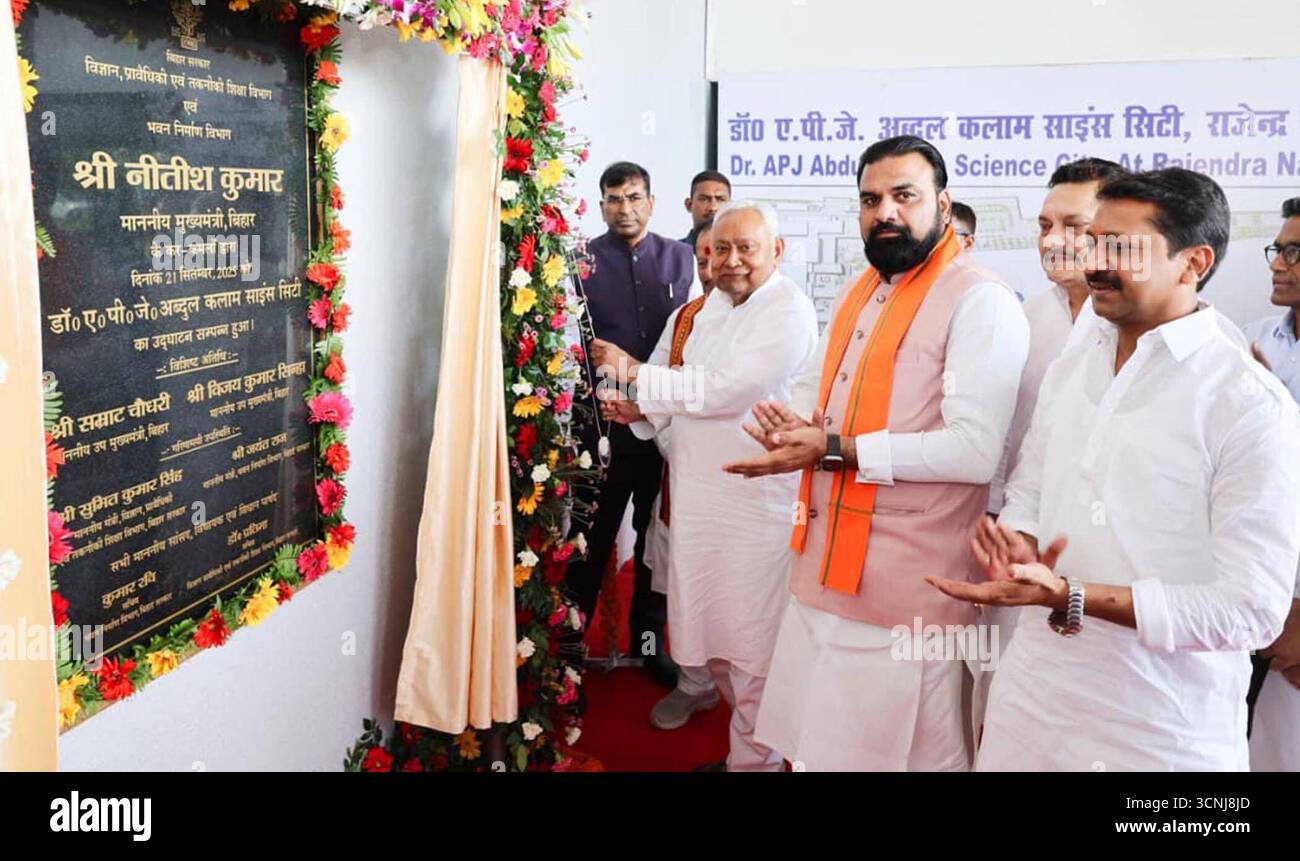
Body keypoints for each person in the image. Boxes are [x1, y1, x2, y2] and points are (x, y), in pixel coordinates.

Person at [931, 168, 1300, 771]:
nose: (1094, 260)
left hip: (1159, 728)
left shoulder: (1247, 403)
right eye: (1094, 240)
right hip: (1034, 703)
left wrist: (1075, 597)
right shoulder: (1075, 367)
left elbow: (1251, 610)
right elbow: (1028, 494)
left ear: (1193, 263)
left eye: (1121, 246)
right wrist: (1018, 550)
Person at [724, 135, 1029, 771]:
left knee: (902, 756)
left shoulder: (982, 298)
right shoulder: (861, 288)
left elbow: (974, 452)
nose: (884, 211)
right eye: (870, 199)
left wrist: (834, 449)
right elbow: (819, 389)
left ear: (943, 204)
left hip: (908, 590)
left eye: (904, 196)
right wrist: (795, 429)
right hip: (824, 567)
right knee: (817, 746)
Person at [593, 201, 818, 771]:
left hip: (754, 511)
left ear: (777, 251)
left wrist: (633, 372)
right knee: (707, 631)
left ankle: (756, 765)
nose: (733, 261)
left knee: (753, 649)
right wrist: (638, 411)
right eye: (723, 249)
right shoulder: (711, 306)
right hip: (697, 504)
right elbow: (688, 389)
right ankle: (737, 747)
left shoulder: (786, 309)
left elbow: (723, 391)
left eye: (748, 248)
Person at [971, 158, 1127, 745]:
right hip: (1018, 542)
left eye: (1073, 225)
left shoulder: (1144, 332)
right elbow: (1008, 436)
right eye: (1043, 225)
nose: (1053, 241)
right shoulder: (1026, 315)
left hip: (1105, 566)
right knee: (1013, 707)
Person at [565, 161, 696, 688]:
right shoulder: (581, 262)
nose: (625, 208)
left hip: (664, 427)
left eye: (634, 197)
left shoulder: (681, 258)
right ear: (602, 206)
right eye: (614, 199)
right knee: (590, 539)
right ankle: (570, 648)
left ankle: (649, 645)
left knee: (653, 540)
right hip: (604, 427)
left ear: (652, 201)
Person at [643, 216, 721, 731]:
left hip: (745, 488)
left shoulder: (777, 317)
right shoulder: (684, 318)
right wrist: (677, 442)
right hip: (680, 476)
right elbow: (654, 383)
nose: (715, 267)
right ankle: (696, 684)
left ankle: (753, 693)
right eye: (705, 257)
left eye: (727, 252)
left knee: (741, 595)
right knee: (681, 585)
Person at [1245, 196, 1300, 771]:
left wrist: (1278, 412)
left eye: (1295, 251)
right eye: (1278, 249)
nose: (1278, 263)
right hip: (1255, 584)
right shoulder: (1249, 339)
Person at [681, 170, 731, 247]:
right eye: (704, 199)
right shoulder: (673, 255)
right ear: (689, 205)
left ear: (730, 207)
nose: (713, 208)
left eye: (720, 199)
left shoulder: (744, 254)